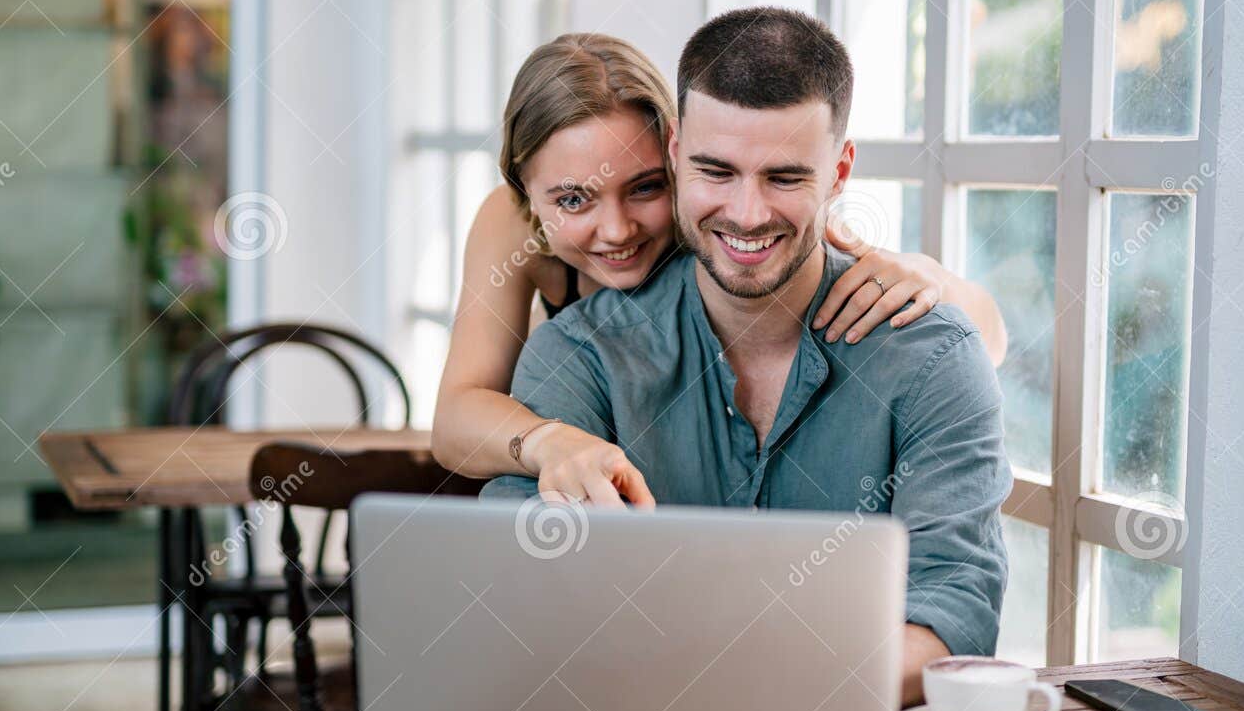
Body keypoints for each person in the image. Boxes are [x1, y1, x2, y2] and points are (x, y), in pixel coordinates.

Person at [483, 8, 1013, 705]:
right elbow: (530, 589)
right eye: (716, 170)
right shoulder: (580, 352)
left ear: (841, 169)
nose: (748, 212)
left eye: (786, 178)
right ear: (674, 154)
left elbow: (956, 610)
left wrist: (755, 688)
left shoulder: (933, 355)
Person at [431, 33, 1007, 503]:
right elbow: (456, 416)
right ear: (525, 192)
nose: (617, 230)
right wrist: (547, 440)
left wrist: (930, 275)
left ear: (677, 160)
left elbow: (984, 338)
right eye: (573, 200)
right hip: (564, 451)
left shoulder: (734, 223)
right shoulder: (513, 231)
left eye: (646, 187)